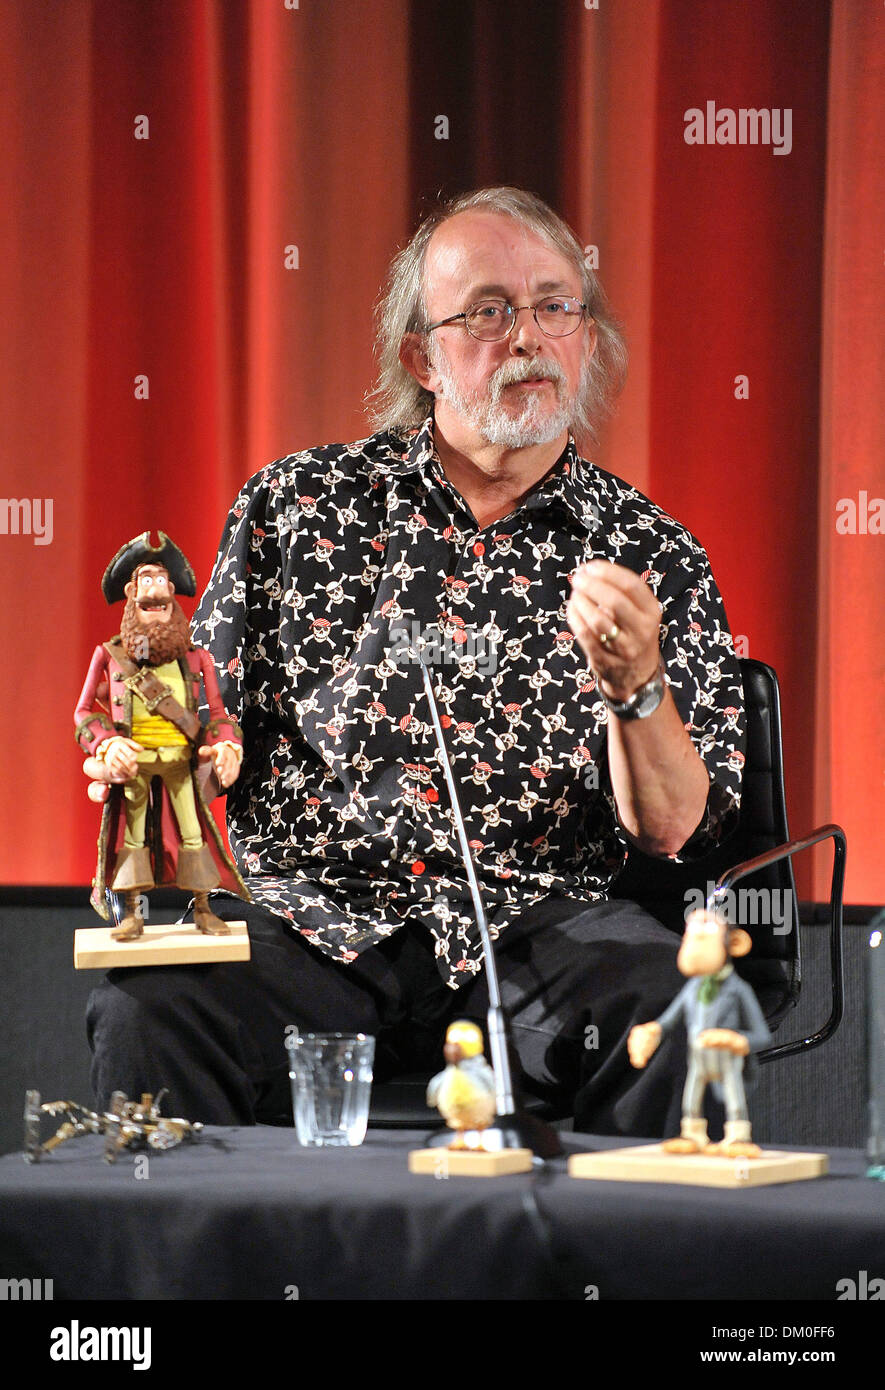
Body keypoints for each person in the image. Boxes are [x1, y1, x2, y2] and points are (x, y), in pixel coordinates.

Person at [86, 186, 745, 1137]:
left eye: (556, 306)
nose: (526, 337)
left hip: (537, 926)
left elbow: (672, 829)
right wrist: (131, 745)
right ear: (419, 358)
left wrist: (633, 687)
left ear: (587, 340)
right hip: (312, 924)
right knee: (151, 1007)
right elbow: (200, 713)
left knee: (673, 1014)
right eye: (486, 311)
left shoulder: (652, 556)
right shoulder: (299, 510)